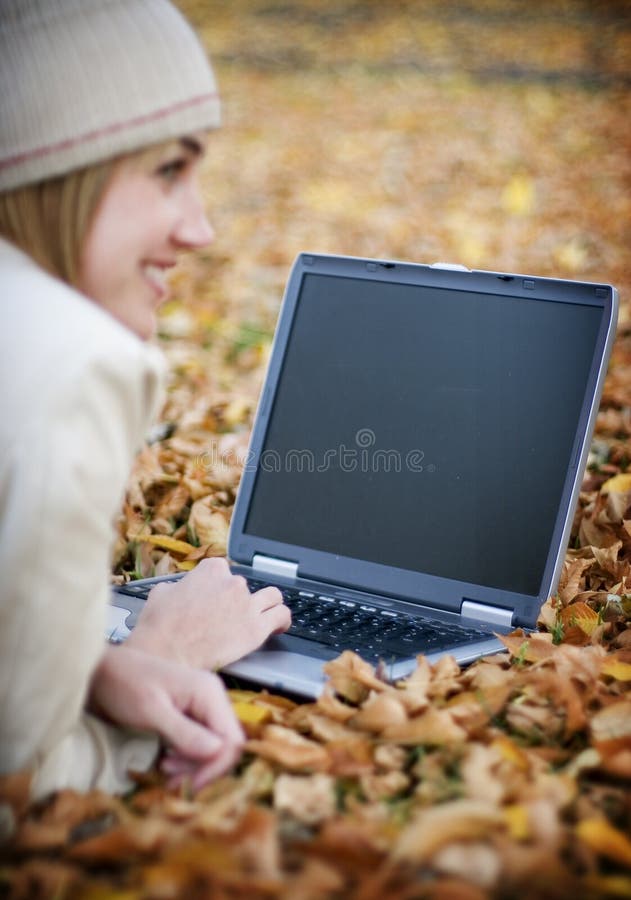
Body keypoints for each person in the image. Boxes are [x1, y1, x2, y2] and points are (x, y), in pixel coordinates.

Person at [0, 0, 291, 800]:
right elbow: (20, 780)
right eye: (169, 170)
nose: (199, 229)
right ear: (58, 168)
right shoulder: (75, 360)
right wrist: (162, 654)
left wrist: (93, 667)